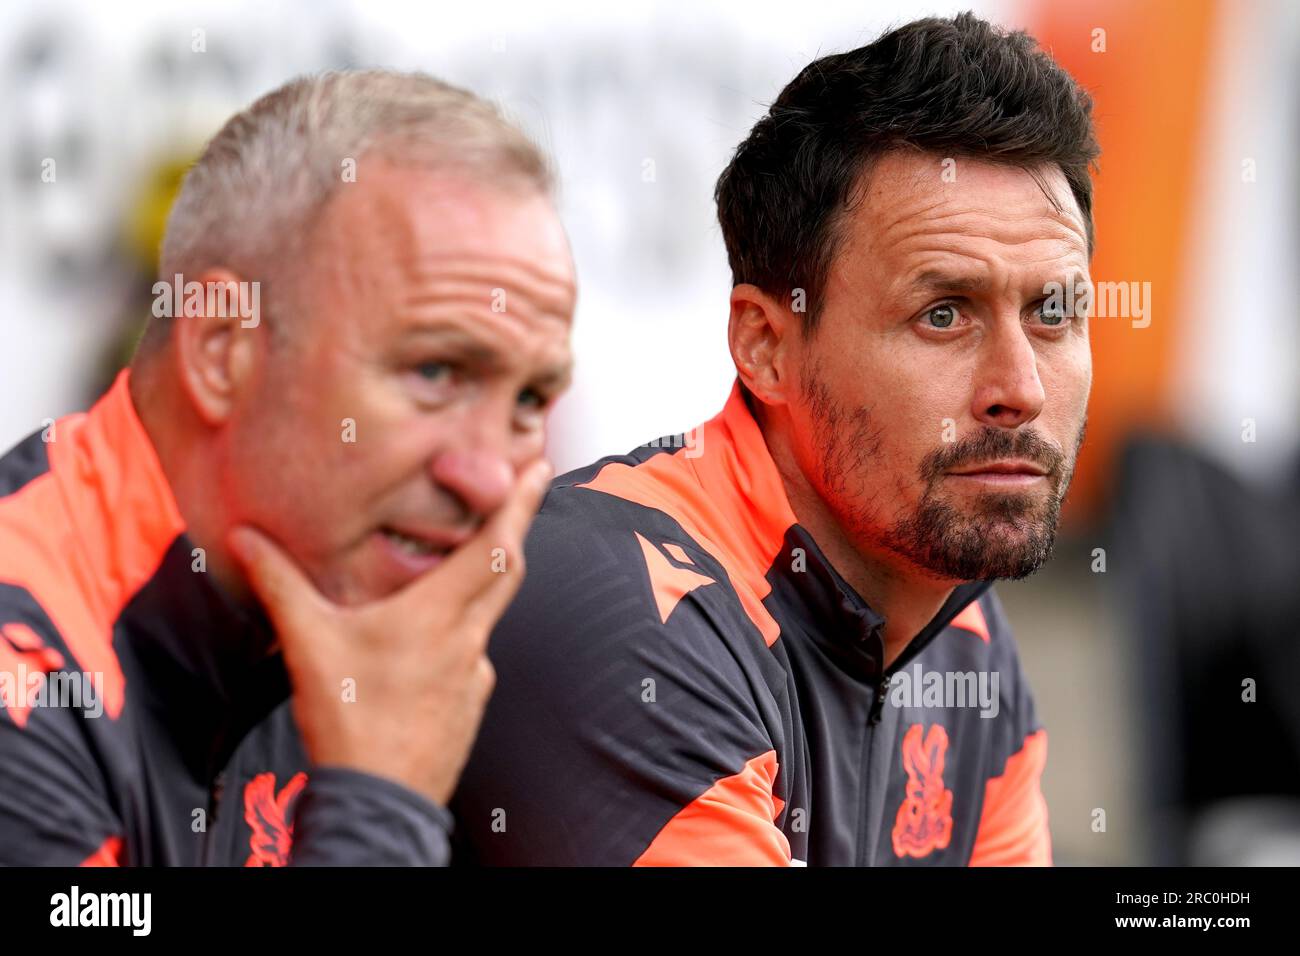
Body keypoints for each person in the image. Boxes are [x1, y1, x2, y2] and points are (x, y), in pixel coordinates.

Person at [450, 12, 1096, 865]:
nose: (1019, 389)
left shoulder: (962, 628)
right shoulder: (627, 608)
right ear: (766, 346)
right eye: (943, 314)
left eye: (1053, 312)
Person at [0, 70, 576, 865]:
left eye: (529, 400)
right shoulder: (22, 663)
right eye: (436, 373)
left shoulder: (414, 629)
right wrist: (380, 801)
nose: (487, 478)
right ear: (221, 350)